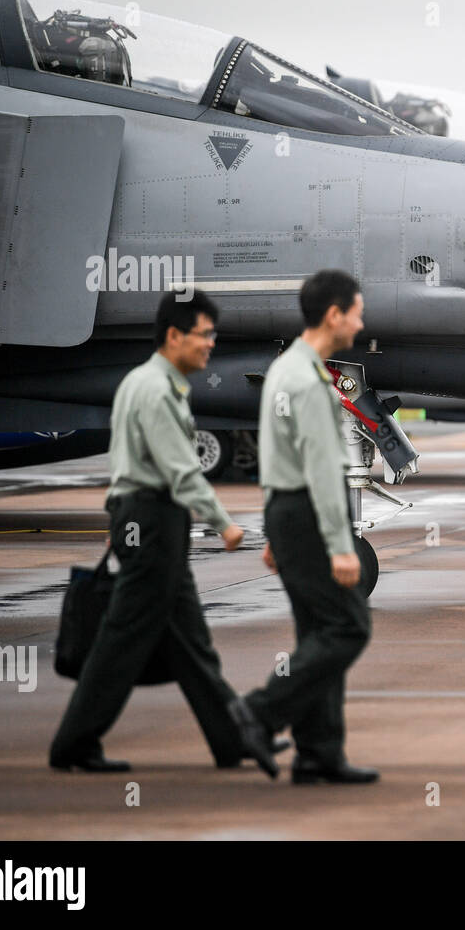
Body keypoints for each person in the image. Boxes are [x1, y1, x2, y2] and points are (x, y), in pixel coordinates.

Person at [50, 291, 279, 777]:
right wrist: (225, 523)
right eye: (204, 335)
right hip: (151, 520)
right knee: (122, 639)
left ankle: (232, 738)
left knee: (191, 643)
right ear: (174, 335)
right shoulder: (155, 390)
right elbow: (180, 469)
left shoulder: (154, 383)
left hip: (152, 520)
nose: (210, 345)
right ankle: (73, 744)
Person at [236, 269, 377, 784]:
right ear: (334, 314)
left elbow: (278, 454)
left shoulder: (285, 370)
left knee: (318, 632)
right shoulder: (311, 380)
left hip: (287, 510)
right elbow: (320, 467)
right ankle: (260, 710)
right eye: (357, 312)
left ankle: (319, 753)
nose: (360, 324)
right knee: (348, 627)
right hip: (310, 512)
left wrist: (276, 530)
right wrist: (342, 546)